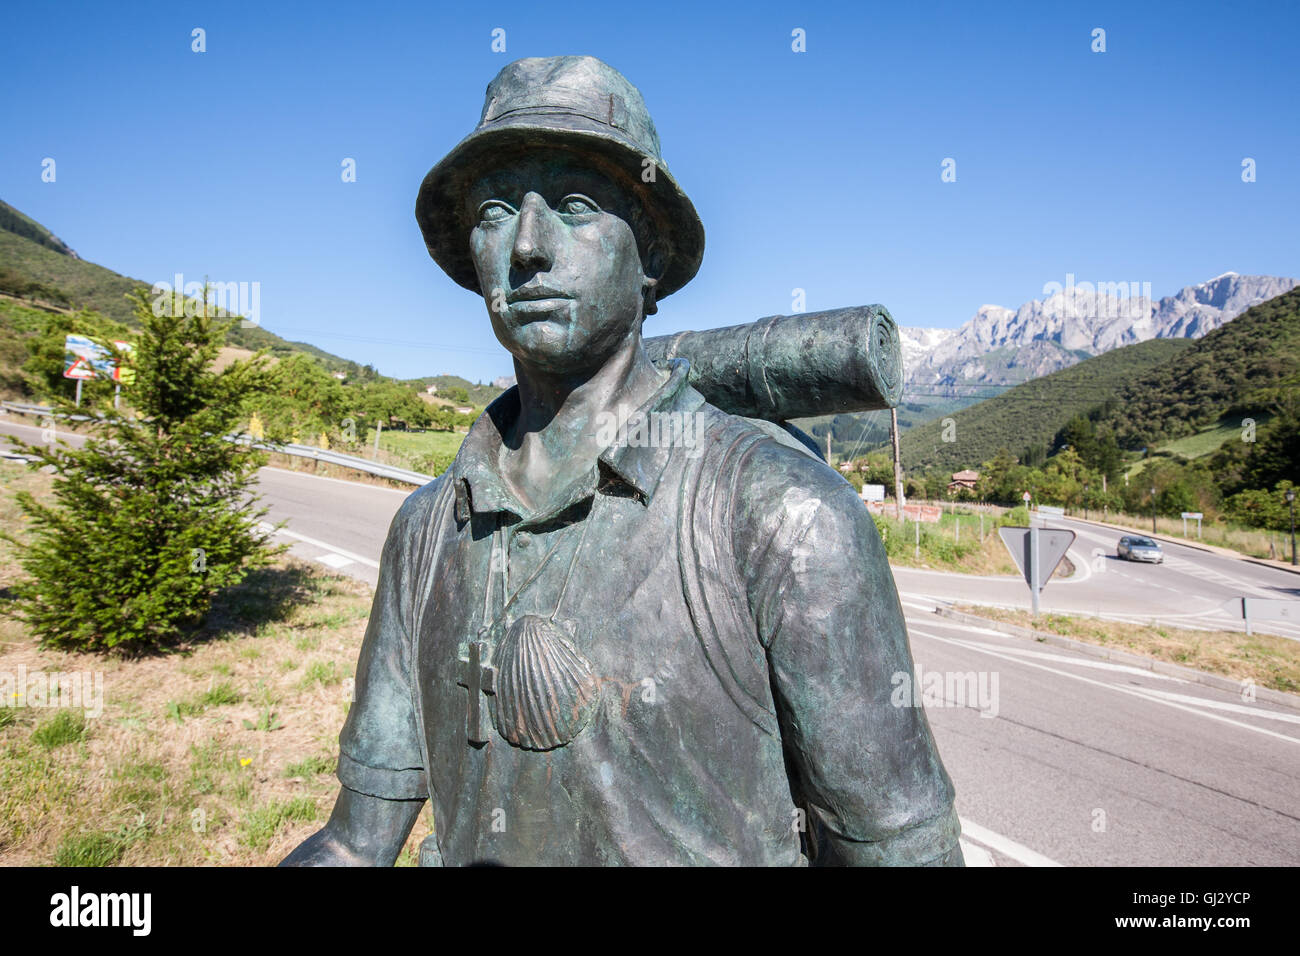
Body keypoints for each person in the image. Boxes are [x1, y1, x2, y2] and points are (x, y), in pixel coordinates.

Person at [282, 55, 962, 866]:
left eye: (574, 205)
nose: (528, 247)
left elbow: (899, 851)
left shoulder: (782, 515)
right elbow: (356, 846)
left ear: (650, 254)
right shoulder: (427, 531)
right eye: (497, 211)